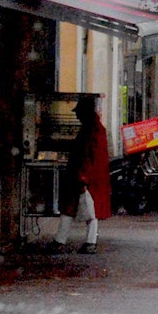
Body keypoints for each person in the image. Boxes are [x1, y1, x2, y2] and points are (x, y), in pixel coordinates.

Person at [56, 97, 111, 254]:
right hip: (95, 177)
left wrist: (82, 178)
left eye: (78, 112)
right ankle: (89, 242)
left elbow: (86, 156)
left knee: (72, 209)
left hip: (83, 177)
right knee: (91, 211)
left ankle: (61, 240)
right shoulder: (98, 130)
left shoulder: (88, 131)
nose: (77, 116)